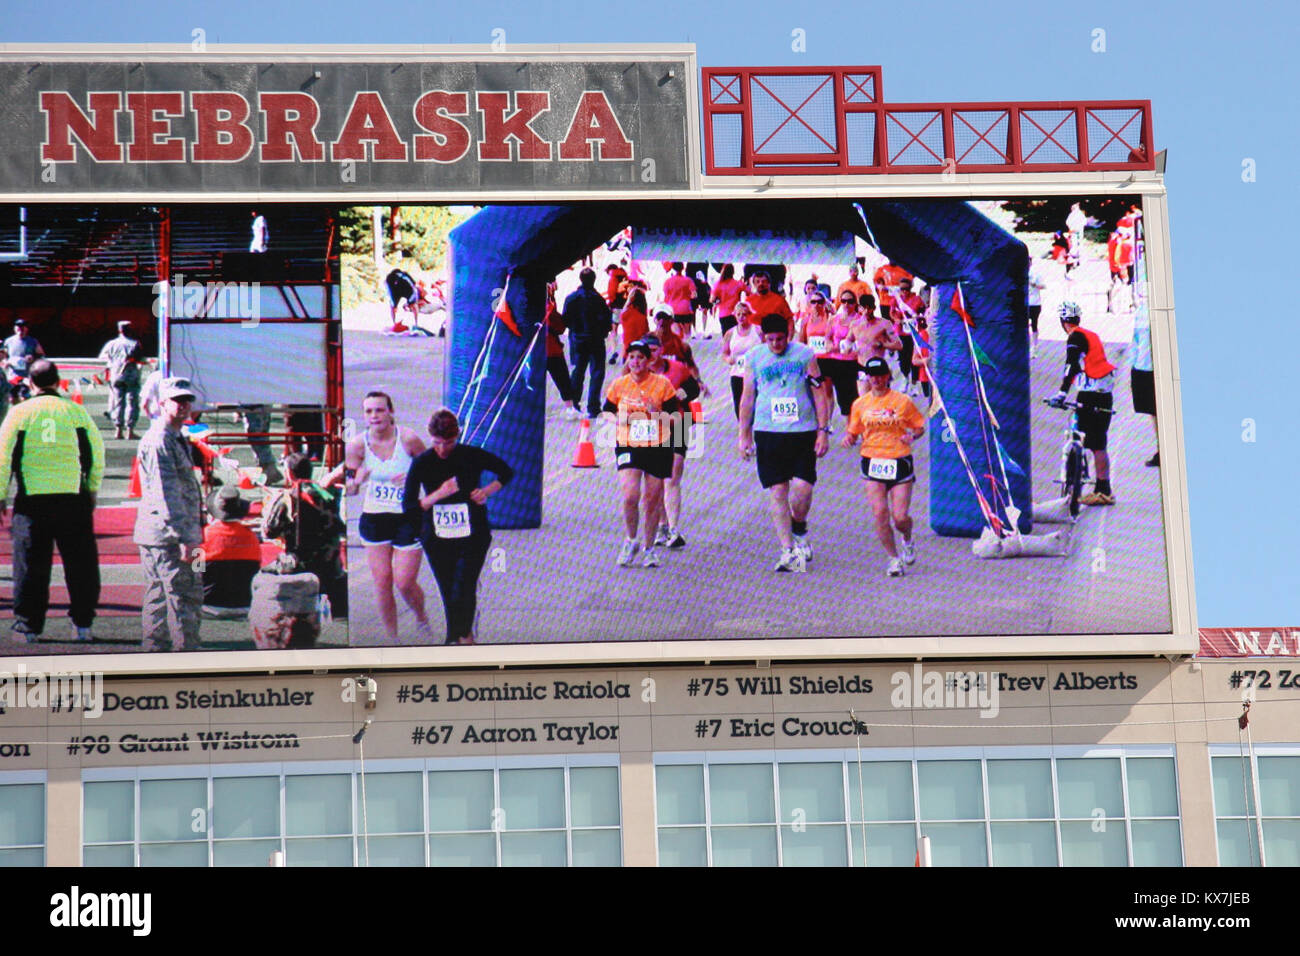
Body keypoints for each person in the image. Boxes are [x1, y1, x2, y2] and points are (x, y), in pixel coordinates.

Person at [0, 359, 104, 642]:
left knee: (30, 565)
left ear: (30, 384)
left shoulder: (20, 413)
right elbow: (96, 453)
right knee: (81, 564)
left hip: (32, 499)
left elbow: (3, 456)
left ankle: (28, 627)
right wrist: (91, 489)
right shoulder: (75, 411)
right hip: (72, 497)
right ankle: (83, 625)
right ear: (58, 382)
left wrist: (0, 495)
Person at [404, 409, 513, 644]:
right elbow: (410, 506)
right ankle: (460, 637)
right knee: (448, 589)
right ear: (430, 436)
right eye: (437, 443)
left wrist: (486, 491)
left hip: (473, 533)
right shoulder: (423, 462)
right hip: (437, 536)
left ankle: (461, 637)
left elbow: (506, 471)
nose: (443, 449)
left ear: (458, 436)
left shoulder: (470, 455)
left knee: (465, 586)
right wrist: (439, 494)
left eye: (449, 442)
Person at [737, 313, 831, 572]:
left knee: (802, 489)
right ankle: (788, 550)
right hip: (768, 431)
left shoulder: (804, 355)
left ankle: (798, 526)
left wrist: (823, 430)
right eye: (771, 340)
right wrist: (743, 433)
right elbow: (747, 397)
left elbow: (819, 392)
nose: (777, 344)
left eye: (781, 339)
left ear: (788, 335)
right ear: (763, 337)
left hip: (802, 431)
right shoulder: (754, 357)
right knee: (778, 492)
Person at [341, 391, 435, 643]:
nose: (374, 416)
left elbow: (432, 471)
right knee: (382, 582)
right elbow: (349, 489)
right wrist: (356, 482)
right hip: (374, 519)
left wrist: (414, 476)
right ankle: (392, 639)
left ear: (391, 412)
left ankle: (421, 616)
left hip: (407, 519)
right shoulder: (357, 445)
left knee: (404, 582)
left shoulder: (408, 439)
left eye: (380, 410)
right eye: (369, 411)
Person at [134, 377, 205, 651]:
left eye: (188, 400)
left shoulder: (174, 436)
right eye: (178, 400)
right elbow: (166, 493)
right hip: (170, 535)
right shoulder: (160, 440)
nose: (185, 406)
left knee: (159, 595)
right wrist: (186, 538)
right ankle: (185, 650)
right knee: (185, 593)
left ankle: (156, 648)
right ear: (162, 403)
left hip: (160, 532)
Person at [842, 356, 926, 577]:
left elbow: (919, 427)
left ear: (888, 376)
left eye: (881, 375)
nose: (877, 380)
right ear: (868, 378)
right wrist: (849, 438)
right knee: (880, 513)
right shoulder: (860, 404)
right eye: (873, 376)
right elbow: (853, 430)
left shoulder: (902, 401)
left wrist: (912, 436)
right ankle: (893, 558)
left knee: (900, 517)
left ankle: (907, 538)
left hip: (899, 460)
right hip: (872, 461)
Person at [600, 340, 682, 568]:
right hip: (628, 444)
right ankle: (630, 540)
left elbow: (676, 418)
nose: (636, 362)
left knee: (652, 500)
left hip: (658, 444)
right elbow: (606, 410)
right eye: (632, 357)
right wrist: (617, 420)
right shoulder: (620, 385)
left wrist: (658, 414)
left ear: (649, 360)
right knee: (630, 496)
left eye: (641, 357)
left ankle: (649, 548)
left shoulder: (662, 384)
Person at [262, 452, 348, 618]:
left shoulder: (287, 497)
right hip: (330, 564)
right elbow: (339, 526)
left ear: (289, 473)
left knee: (264, 574)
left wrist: (270, 506)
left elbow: (269, 531)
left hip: (299, 565)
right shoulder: (326, 494)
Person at [1048, 301, 1117, 505]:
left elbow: (1072, 366)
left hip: (1090, 393)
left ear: (1063, 321)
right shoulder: (1091, 334)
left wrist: (1061, 393)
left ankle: (1101, 490)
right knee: (1099, 443)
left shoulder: (1075, 337)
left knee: (1090, 439)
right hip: (1105, 393)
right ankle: (1103, 488)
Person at [644, 334, 700, 550]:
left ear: (660, 350)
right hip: (652, 428)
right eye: (647, 350)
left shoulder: (677, 368)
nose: (651, 354)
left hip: (678, 423)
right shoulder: (638, 373)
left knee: (673, 475)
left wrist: (680, 394)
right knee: (657, 478)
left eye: (654, 349)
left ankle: (674, 529)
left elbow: (693, 389)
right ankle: (662, 525)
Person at [199, 486, 261, 619]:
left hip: (209, 605)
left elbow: (194, 573)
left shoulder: (202, 536)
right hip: (245, 605)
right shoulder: (252, 538)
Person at [564, 266, 615, 419]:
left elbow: (565, 318)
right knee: (597, 372)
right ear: (594, 280)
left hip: (578, 339)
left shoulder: (572, 298)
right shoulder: (598, 299)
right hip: (595, 340)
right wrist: (602, 332)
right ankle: (593, 406)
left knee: (578, 371)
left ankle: (574, 403)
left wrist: (574, 330)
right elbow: (607, 320)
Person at [797, 291, 856, 419]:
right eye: (813, 302)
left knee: (828, 391)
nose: (816, 304)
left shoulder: (830, 318)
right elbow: (802, 341)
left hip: (828, 358)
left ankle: (828, 420)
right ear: (809, 304)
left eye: (820, 301)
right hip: (813, 360)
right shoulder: (806, 320)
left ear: (824, 303)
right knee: (814, 390)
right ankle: (817, 418)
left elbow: (838, 330)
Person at [541, 283, 582, 420]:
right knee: (562, 380)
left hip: (534, 351)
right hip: (552, 349)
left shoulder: (527, 309)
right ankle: (570, 408)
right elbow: (560, 327)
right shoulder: (549, 308)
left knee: (533, 383)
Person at [98, 320, 143, 440]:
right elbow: (140, 359)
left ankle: (118, 430)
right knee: (132, 403)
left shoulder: (111, 344)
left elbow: (103, 358)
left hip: (116, 375)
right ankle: (130, 430)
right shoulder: (135, 344)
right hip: (131, 376)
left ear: (119, 330)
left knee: (118, 402)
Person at [721, 301, 761, 416]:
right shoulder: (730, 333)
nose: (741, 317)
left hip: (755, 372)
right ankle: (742, 427)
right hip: (737, 373)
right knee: (738, 404)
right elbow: (724, 353)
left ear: (749, 315)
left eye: (744, 314)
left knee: (755, 401)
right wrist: (728, 359)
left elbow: (766, 349)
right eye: (738, 314)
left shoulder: (758, 331)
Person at [4, 319, 44, 406]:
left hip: (26, 376)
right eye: (18, 327)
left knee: (24, 397)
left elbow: (41, 355)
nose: (20, 329)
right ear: (15, 328)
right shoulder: (8, 341)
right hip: (12, 376)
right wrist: (6, 362)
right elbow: (4, 356)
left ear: (26, 329)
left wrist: (33, 358)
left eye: (22, 327)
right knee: (12, 398)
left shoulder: (32, 341)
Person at [744, 271, 795, 337]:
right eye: (758, 282)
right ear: (754, 284)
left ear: (769, 283)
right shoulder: (748, 301)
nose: (760, 284)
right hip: (752, 339)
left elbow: (789, 319)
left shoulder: (779, 300)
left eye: (763, 281)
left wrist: (789, 337)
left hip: (774, 339)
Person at [662, 262, 696, 341]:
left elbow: (666, 297)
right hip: (686, 308)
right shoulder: (688, 280)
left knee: (676, 334)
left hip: (673, 309)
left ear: (673, 269)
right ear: (683, 268)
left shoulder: (668, 282)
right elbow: (694, 295)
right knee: (687, 334)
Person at [710, 263, 746, 336]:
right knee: (735, 335)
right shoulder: (738, 284)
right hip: (736, 314)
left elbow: (711, 300)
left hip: (723, 314)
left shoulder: (718, 284)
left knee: (726, 335)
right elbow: (750, 291)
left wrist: (719, 300)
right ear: (733, 272)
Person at [384, 266, 421, 333]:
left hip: (407, 289)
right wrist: (394, 304)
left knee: (413, 305)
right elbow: (390, 293)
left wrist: (410, 302)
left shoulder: (405, 277)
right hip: (395, 290)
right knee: (393, 306)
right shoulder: (389, 280)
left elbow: (414, 288)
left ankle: (416, 323)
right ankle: (394, 323)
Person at [1027, 255, 1049, 358]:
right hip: (1023, 303)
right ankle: (1025, 347)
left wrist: (1034, 284)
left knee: (1034, 325)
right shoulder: (1018, 274)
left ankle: (1034, 348)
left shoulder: (1036, 274)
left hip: (1035, 303)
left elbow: (1044, 286)